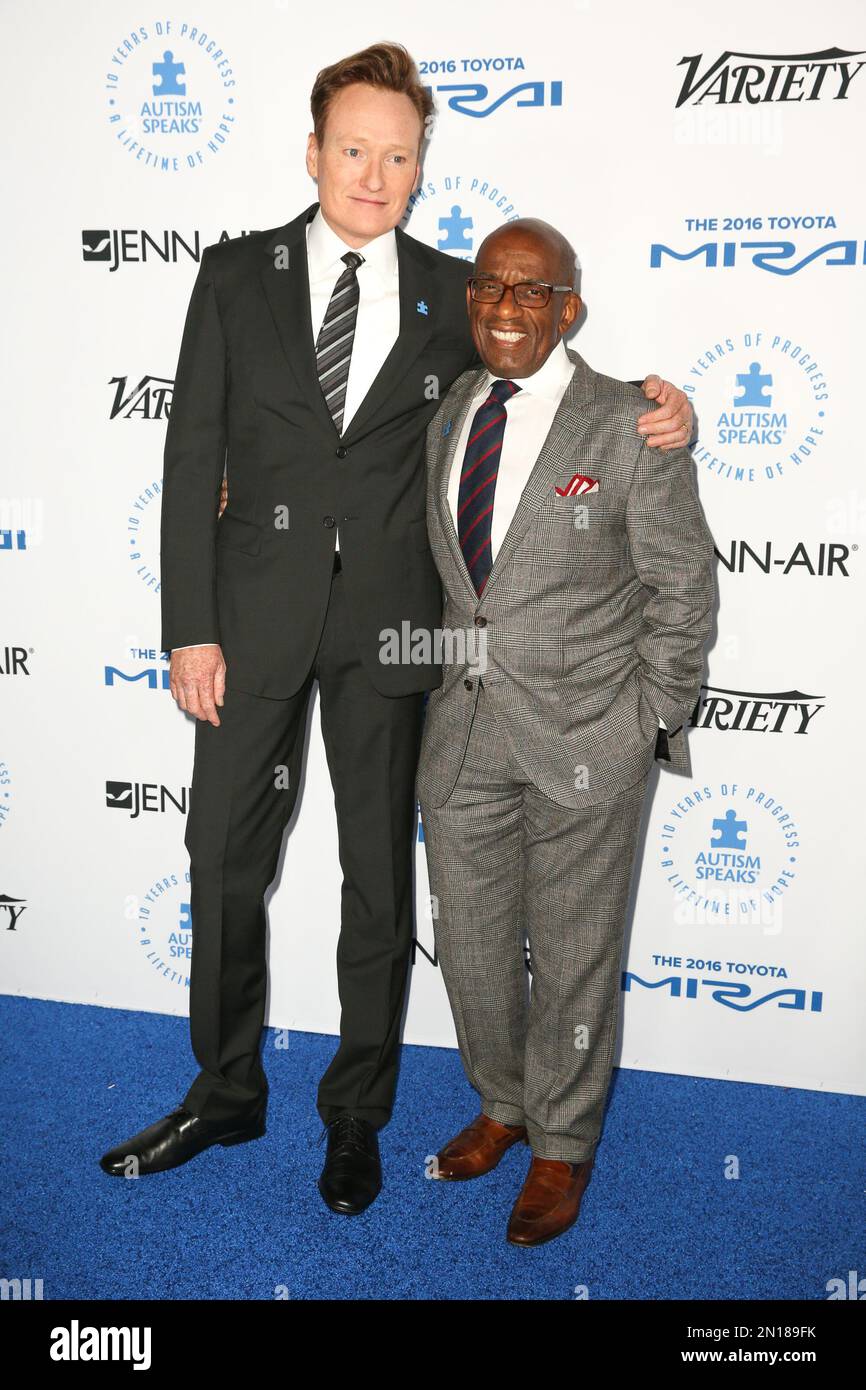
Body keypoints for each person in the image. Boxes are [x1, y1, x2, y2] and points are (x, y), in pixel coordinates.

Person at [99, 43, 694, 1215]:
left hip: (396, 642)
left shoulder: (451, 291)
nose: (375, 173)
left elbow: (547, 374)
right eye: (354, 149)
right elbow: (188, 461)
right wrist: (188, 628)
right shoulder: (231, 276)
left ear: (422, 168)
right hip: (248, 629)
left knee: (375, 882)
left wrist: (655, 405)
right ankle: (223, 1090)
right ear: (313, 152)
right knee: (220, 862)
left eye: (400, 155)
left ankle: (354, 1113)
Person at [416, 218, 715, 1245]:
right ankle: (503, 1104)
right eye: (491, 287)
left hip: (590, 736)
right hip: (459, 736)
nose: (507, 307)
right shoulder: (453, 408)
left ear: (567, 309)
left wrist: (645, 720)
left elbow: (682, 590)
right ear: (471, 302)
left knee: (577, 954)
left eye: (531, 291)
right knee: (472, 946)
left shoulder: (631, 421)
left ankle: (561, 1143)